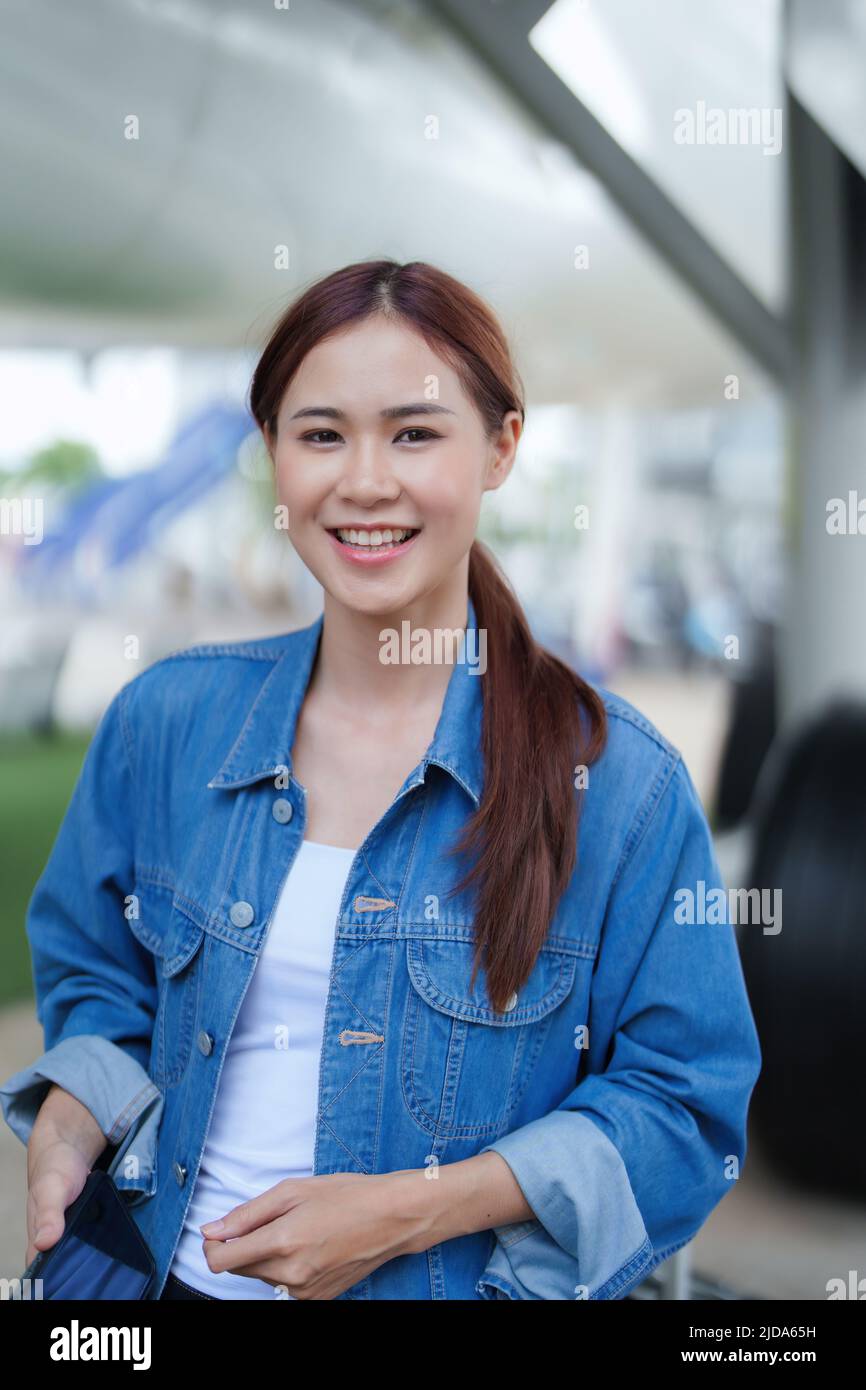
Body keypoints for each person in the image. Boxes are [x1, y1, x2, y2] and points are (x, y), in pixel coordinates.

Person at [0, 259, 762, 1301]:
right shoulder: (164, 724)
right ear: (271, 453)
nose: (363, 480)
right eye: (320, 434)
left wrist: (412, 1206)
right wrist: (74, 1117)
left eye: (414, 432)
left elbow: (683, 1108)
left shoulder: (619, 784)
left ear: (500, 448)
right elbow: (98, 974)